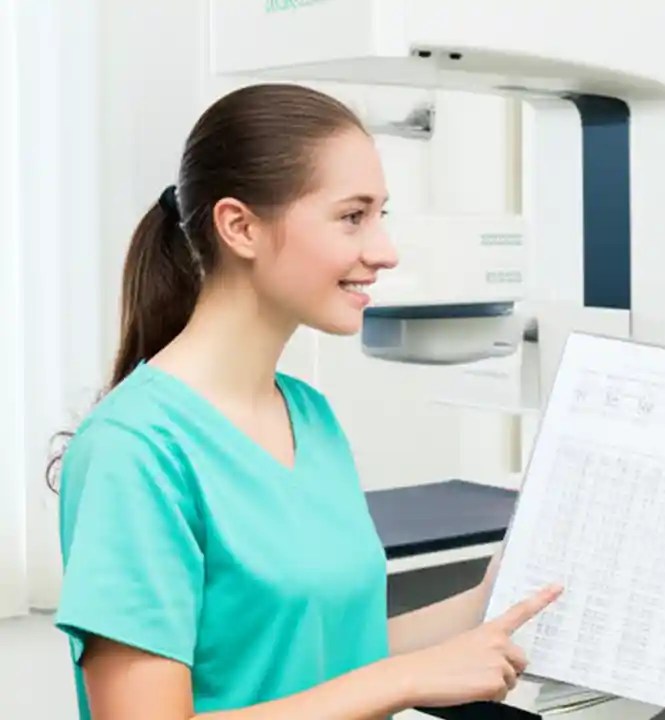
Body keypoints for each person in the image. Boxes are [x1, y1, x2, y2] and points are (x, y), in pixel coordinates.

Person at [49, 82, 561, 719]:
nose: (385, 250)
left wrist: (492, 598)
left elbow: (336, 657)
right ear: (240, 227)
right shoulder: (135, 450)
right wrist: (406, 682)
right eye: (353, 216)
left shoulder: (308, 415)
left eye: (382, 214)